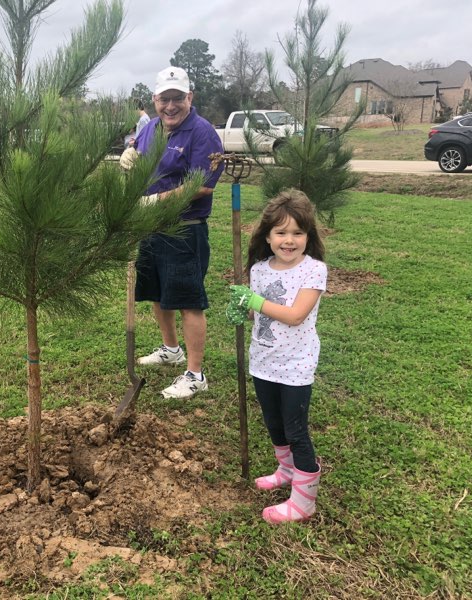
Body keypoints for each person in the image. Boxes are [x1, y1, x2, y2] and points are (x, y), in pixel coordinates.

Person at [121, 66, 224, 399]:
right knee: (157, 290)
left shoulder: (203, 133)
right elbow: (139, 153)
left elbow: (202, 187)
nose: (170, 106)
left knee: (188, 299)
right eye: (164, 99)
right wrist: (129, 156)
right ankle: (171, 349)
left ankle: (195, 374)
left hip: (185, 228)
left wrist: (155, 201)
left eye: (177, 98)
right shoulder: (151, 128)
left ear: (189, 97)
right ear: (155, 100)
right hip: (152, 226)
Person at [227, 190, 326, 524]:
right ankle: (285, 470)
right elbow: (263, 314)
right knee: (273, 423)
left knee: (296, 429)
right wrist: (244, 310)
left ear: (307, 237)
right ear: (267, 237)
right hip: (264, 360)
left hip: (296, 364)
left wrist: (253, 302)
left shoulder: (313, 271)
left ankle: (303, 501)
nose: (289, 240)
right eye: (281, 232)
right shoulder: (259, 269)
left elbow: (296, 315)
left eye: (298, 233)